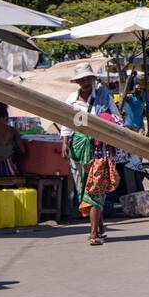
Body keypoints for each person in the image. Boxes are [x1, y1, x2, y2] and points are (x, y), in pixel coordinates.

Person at [61, 64, 121, 243]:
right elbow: (67, 122)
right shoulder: (72, 99)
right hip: (78, 148)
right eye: (81, 79)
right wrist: (65, 142)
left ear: (93, 79)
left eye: (88, 78)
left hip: (99, 150)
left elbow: (117, 118)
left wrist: (106, 121)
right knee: (82, 188)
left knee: (95, 189)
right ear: (77, 82)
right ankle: (100, 227)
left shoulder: (104, 96)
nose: (85, 82)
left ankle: (93, 233)